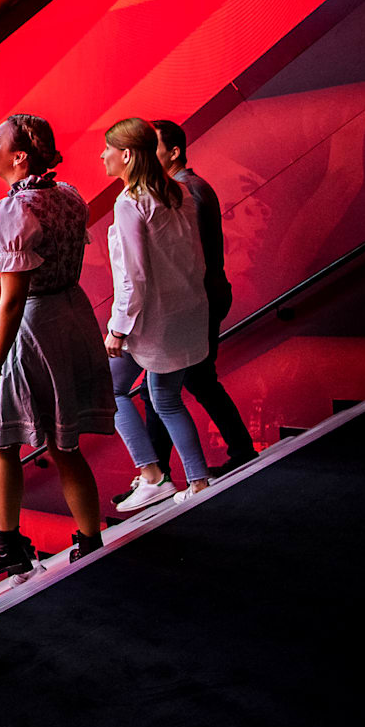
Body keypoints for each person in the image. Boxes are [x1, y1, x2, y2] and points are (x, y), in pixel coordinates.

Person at [0, 113, 116, 575]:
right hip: (71, 315)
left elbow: (12, 300)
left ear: (18, 156)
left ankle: (8, 541)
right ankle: (90, 537)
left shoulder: (14, 209)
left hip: (34, 325)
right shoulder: (68, 196)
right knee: (63, 442)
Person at [101, 117, 212, 512]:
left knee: (111, 390)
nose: (103, 156)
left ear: (127, 155)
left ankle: (154, 477)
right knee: (165, 397)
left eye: (108, 149)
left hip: (150, 320)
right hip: (186, 311)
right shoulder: (179, 191)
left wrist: (117, 328)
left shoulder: (129, 202)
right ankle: (192, 479)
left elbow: (134, 276)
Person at [142, 120, 258, 479]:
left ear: (174, 152)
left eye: (153, 148)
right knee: (192, 381)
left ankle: (157, 473)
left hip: (196, 302)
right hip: (205, 298)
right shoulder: (189, 187)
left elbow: (181, 259)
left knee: (161, 387)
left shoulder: (183, 193)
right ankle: (237, 449)